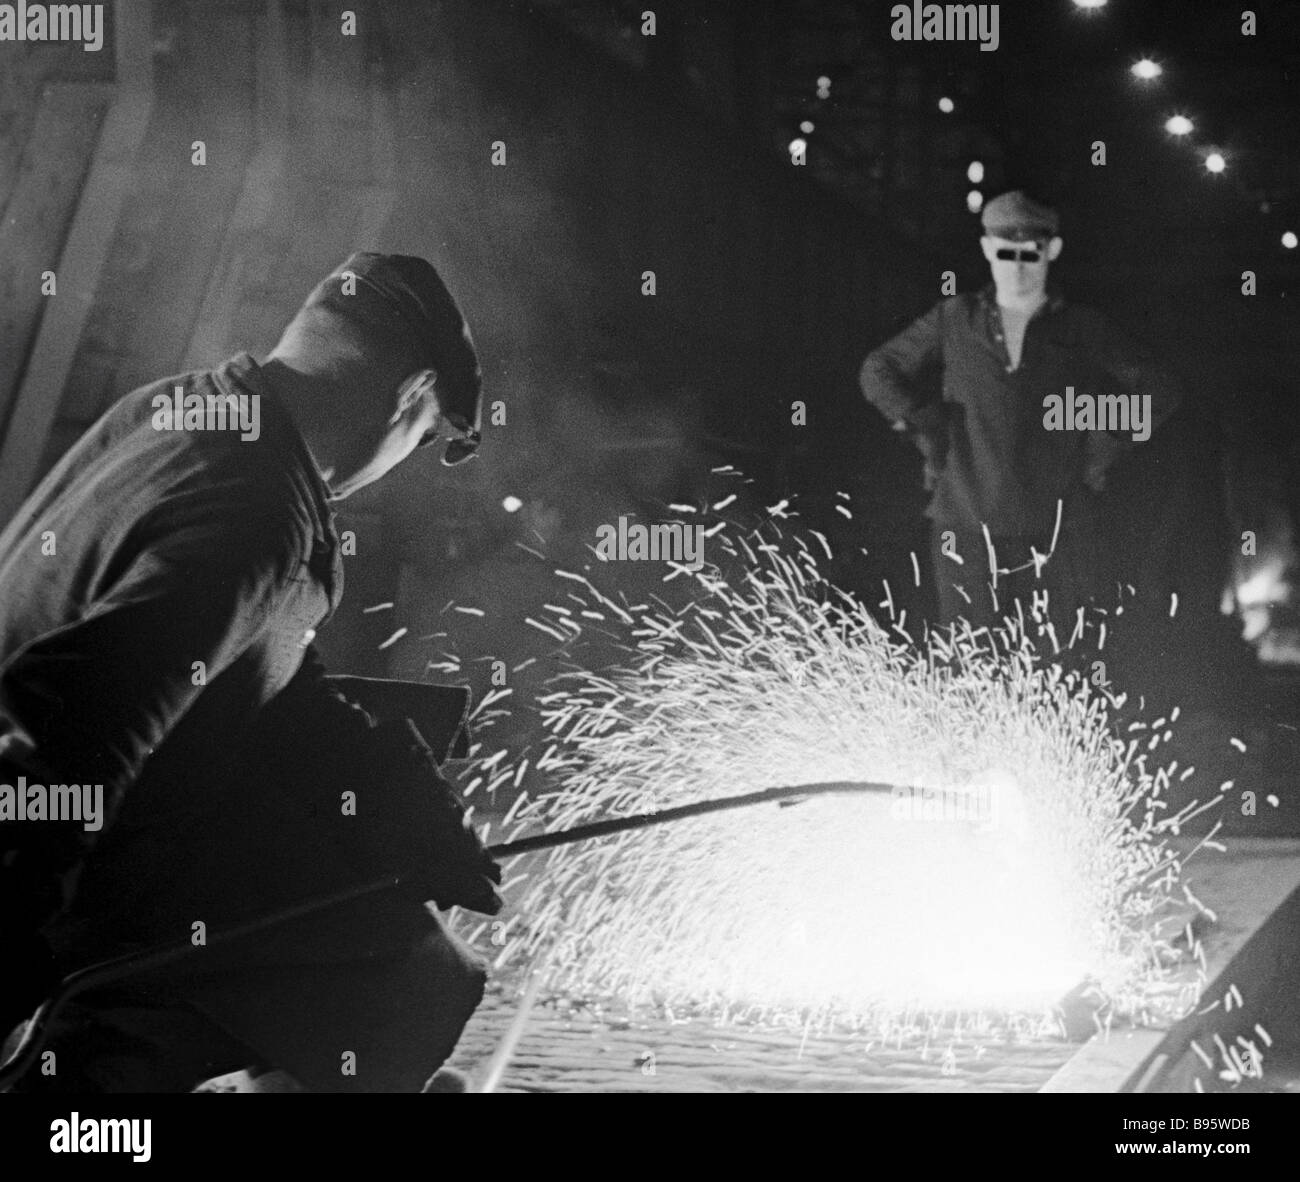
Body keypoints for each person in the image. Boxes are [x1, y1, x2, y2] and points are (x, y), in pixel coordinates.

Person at [0, 252, 500, 1092]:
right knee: (415, 979)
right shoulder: (257, 512)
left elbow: (248, 670)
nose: (398, 462)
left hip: (84, 855)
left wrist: (378, 785)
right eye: (421, 437)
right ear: (413, 393)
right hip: (68, 877)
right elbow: (74, 735)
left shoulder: (179, 411)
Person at [858, 191, 1183, 638]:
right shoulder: (955, 319)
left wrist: (1102, 441)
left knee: (1049, 660)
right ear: (988, 249)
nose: (1017, 266)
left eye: (1029, 254)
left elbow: (1160, 389)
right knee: (969, 659)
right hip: (966, 524)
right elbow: (879, 370)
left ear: (1052, 251)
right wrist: (924, 422)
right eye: (1005, 253)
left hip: (1054, 529)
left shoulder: (1082, 328)